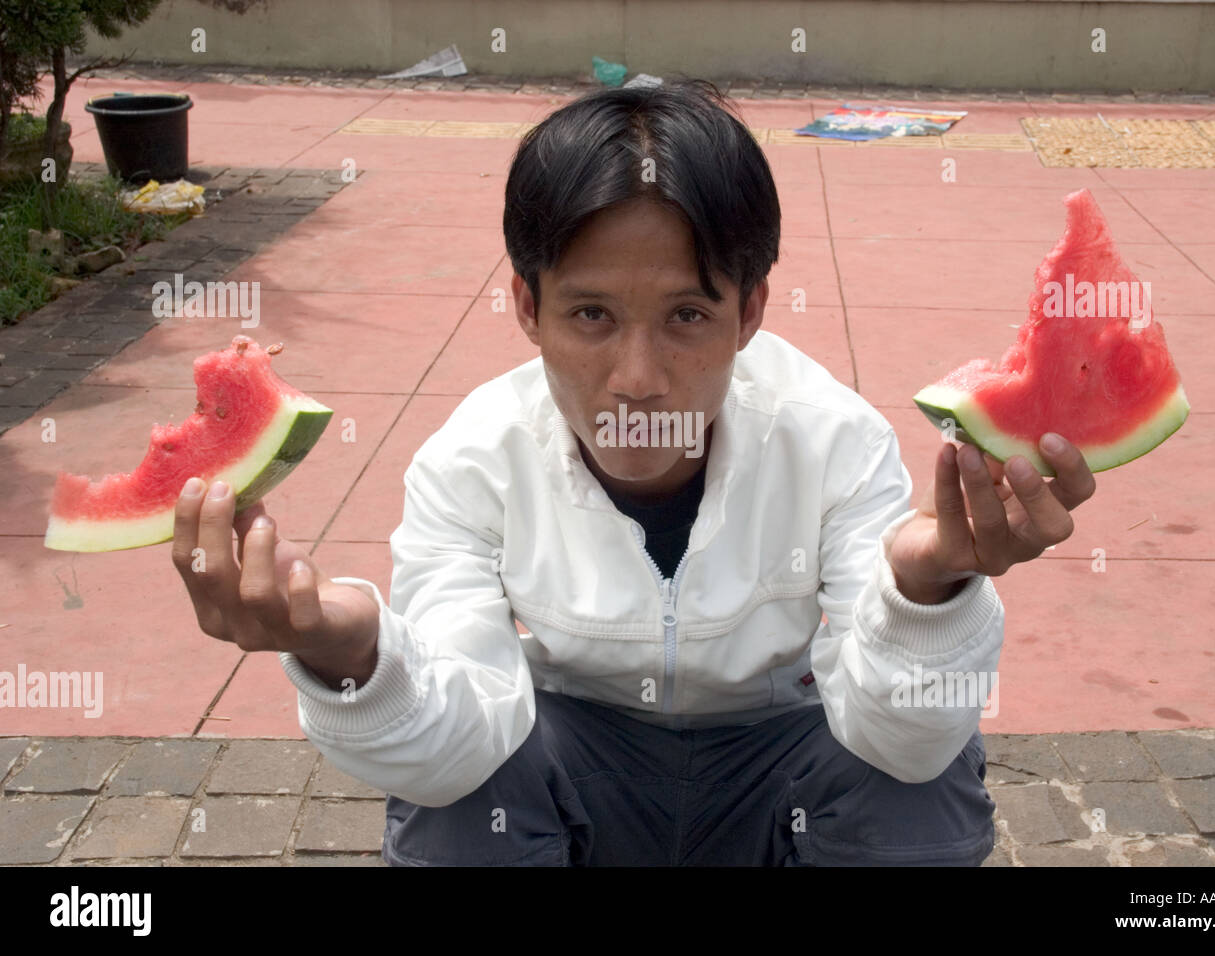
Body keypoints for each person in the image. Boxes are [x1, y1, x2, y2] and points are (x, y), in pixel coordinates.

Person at [170, 79, 1096, 866]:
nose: (637, 381)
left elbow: (903, 735)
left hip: (782, 771)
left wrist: (927, 594)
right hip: (577, 770)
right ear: (527, 308)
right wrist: (350, 651)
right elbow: (450, 746)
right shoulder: (470, 458)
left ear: (753, 309)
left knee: (914, 788)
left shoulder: (832, 438)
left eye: (688, 315)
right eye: (591, 316)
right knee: (462, 809)